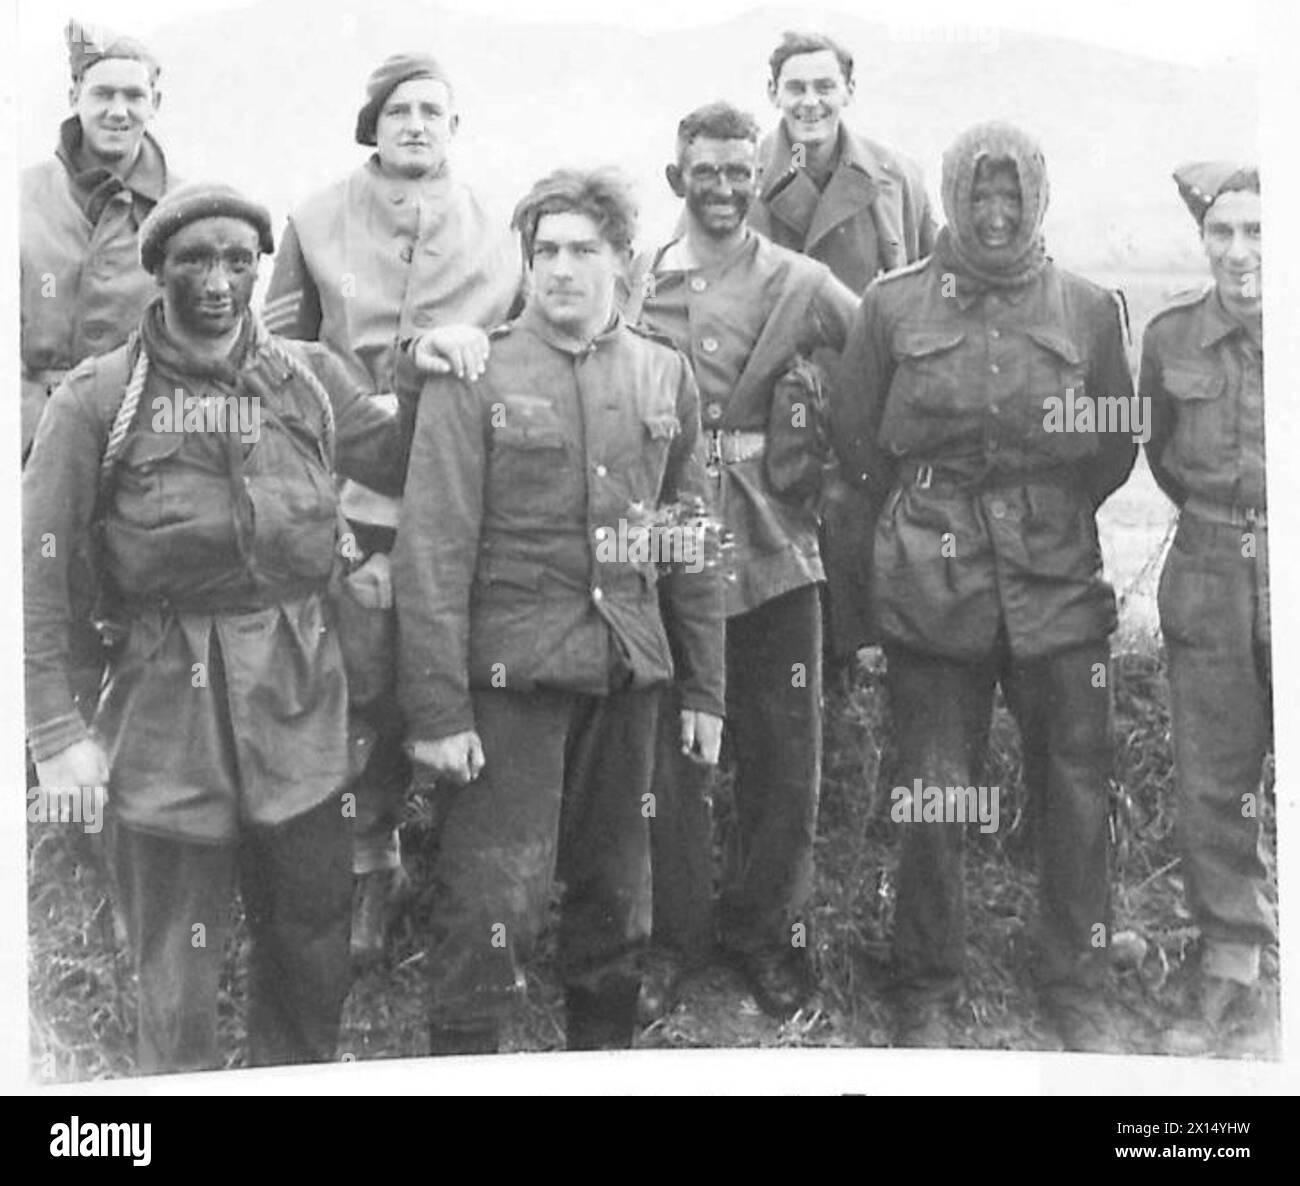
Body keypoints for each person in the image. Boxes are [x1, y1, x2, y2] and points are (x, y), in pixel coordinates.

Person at [24, 183, 408, 1074]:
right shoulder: (98, 399)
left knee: (311, 954)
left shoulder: (310, 378)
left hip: (303, 713)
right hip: (165, 725)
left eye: (240, 259)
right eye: (194, 259)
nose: (219, 280)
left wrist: (443, 364)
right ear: (157, 272)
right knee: (176, 980)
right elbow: (36, 568)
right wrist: (55, 735)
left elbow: (405, 456)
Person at [392, 168, 726, 1054]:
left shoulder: (663, 373)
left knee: (619, 897)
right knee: (490, 904)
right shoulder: (478, 372)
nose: (564, 270)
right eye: (546, 252)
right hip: (512, 680)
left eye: (585, 250)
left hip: (626, 674)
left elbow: (690, 543)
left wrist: (705, 692)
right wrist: (436, 712)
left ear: (622, 259)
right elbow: (431, 549)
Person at [833, 122, 1137, 1051]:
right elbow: (857, 441)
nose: (997, 216)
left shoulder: (1090, 307)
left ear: (1039, 198)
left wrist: (1039, 509)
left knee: (1076, 788)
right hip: (935, 581)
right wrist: (940, 518)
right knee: (935, 791)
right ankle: (926, 984)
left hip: (1058, 588)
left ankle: (1076, 983)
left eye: (1014, 197)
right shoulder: (890, 309)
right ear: (953, 200)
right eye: (979, 196)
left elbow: (1116, 442)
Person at [263, 52, 520, 966]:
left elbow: (523, 353)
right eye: (399, 110)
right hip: (351, 495)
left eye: (433, 110)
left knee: (465, 673)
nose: (416, 124)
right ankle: (371, 865)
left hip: (463, 494)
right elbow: (275, 360)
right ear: (373, 123)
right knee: (361, 687)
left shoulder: (502, 228)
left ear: (456, 125)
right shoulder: (315, 218)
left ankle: (462, 868)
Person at [625, 102, 857, 1021]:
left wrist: (833, 467)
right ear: (676, 177)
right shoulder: (636, 281)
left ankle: (770, 934)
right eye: (704, 172)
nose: (722, 189)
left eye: (738, 172)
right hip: (672, 547)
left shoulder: (802, 281)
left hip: (775, 542)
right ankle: (671, 940)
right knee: (671, 754)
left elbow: (875, 352)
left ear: (757, 179)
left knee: (782, 747)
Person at [1141, 163, 1274, 1053]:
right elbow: (1156, 450)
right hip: (1211, 563)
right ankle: (1231, 963)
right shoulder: (1171, 335)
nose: (1239, 252)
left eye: (1259, 231)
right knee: (1215, 780)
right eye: (1222, 232)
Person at [749, 30, 936, 662]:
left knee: (867, 545)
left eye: (825, 86)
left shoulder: (897, 178)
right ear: (773, 92)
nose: (810, 102)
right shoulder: (739, 178)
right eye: (796, 87)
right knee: (785, 569)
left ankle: (861, 691)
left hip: (874, 402)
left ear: (848, 91)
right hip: (776, 404)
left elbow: (935, 284)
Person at [21, 19, 179, 463]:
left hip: (141, 441)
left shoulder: (182, 210)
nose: (118, 110)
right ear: (74, 98)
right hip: (30, 438)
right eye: (102, 93)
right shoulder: (20, 199)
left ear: (156, 104)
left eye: (134, 96)